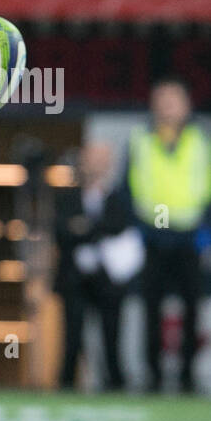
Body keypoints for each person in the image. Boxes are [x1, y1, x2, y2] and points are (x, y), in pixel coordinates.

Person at [123, 78, 211, 393]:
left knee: (192, 307)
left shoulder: (201, 138)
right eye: (162, 100)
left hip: (190, 237)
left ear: (187, 105)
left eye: (174, 100)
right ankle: (153, 375)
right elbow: (128, 187)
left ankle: (188, 375)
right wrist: (138, 230)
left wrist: (207, 232)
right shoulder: (141, 138)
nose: (167, 107)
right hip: (154, 236)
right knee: (151, 306)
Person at [53, 142, 138, 391]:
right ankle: (66, 383)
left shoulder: (120, 198)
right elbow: (62, 231)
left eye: (102, 160)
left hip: (108, 281)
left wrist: (85, 227)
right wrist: (93, 229)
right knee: (72, 335)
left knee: (112, 335)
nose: (96, 166)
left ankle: (115, 383)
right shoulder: (66, 197)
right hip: (74, 280)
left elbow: (119, 227)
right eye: (91, 159)